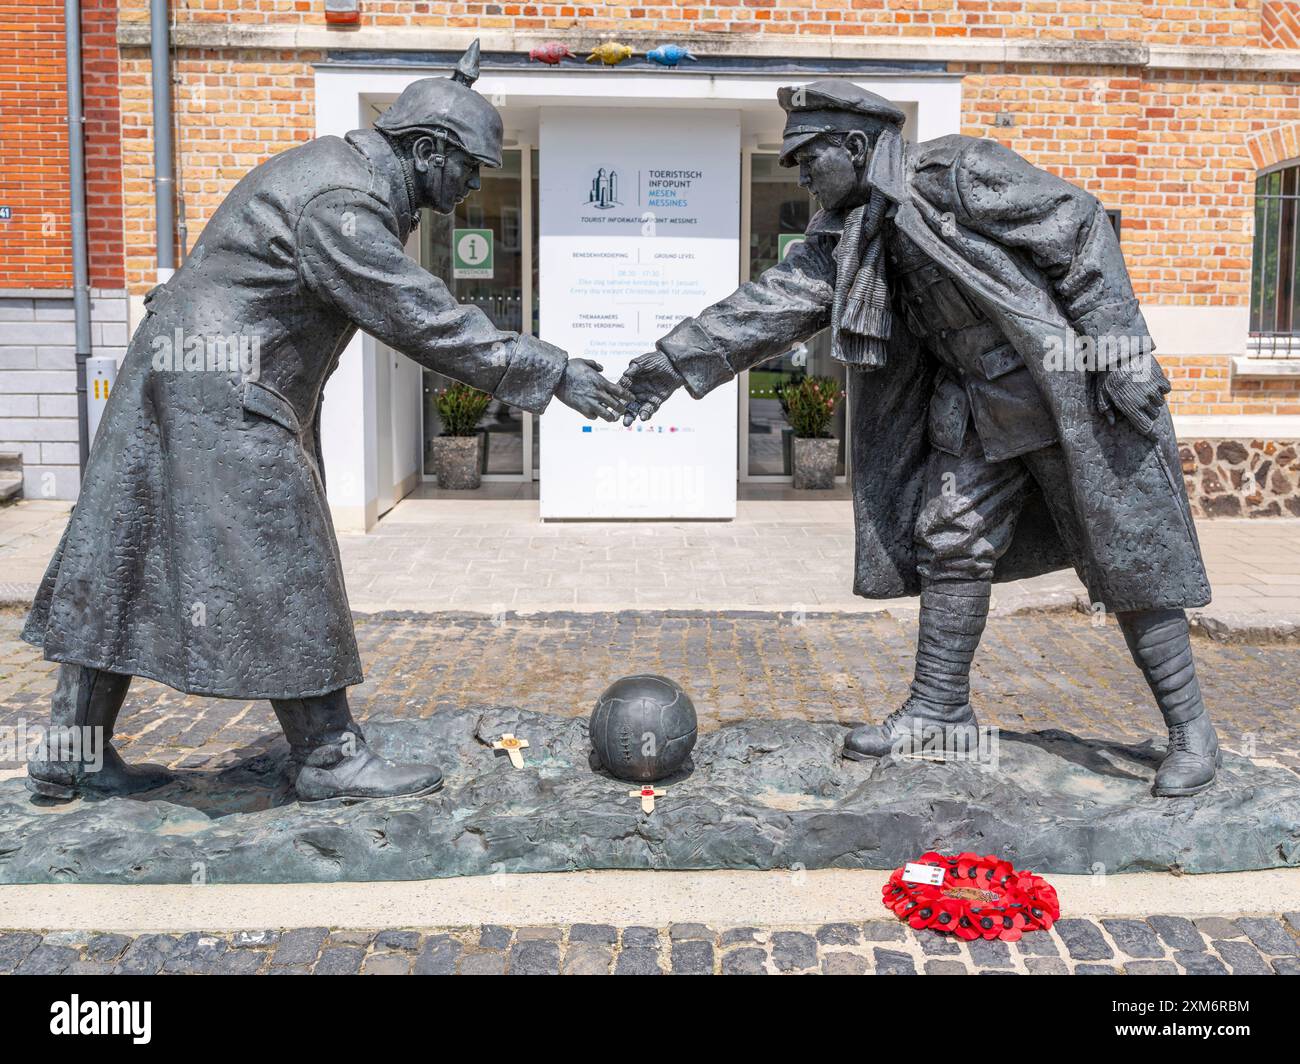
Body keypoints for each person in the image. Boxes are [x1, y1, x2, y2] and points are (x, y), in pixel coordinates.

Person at [23, 41, 631, 803]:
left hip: (173, 375)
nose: (475, 186)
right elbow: (420, 316)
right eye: (471, 167)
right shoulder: (340, 201)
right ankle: (329, 754)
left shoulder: (331, 172)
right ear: (429, 149)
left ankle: (71, 750)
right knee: (288, 557)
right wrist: (553, 369)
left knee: (124, 548)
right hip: (223, 393)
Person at [620, 80, 1219, 797]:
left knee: (1127, 555)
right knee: (951, 541)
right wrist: (674, 359)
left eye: (808, 159)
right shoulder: (851, 231)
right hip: (971, 409)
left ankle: (1193, 732)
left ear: (854, 145)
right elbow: (773, 304)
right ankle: (940, 711)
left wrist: (1120, 354)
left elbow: (1079, 223)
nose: (801, 177)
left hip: (1066, 396)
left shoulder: (955, 172)